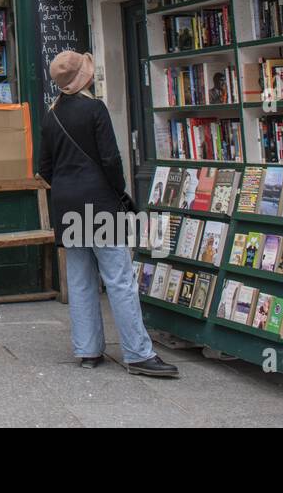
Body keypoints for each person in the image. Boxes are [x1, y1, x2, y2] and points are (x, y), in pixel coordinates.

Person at [38, 50, 179, 378]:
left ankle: (87, 349)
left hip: (67, 203)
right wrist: (119, 192)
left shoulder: (51, 115)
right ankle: (138, 353)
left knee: (80, 278)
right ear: (83, 78)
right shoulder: (94, 109)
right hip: (99, 201)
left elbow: (42, 167)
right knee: (119, 278)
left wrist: (67, 185)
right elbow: (111, 160)